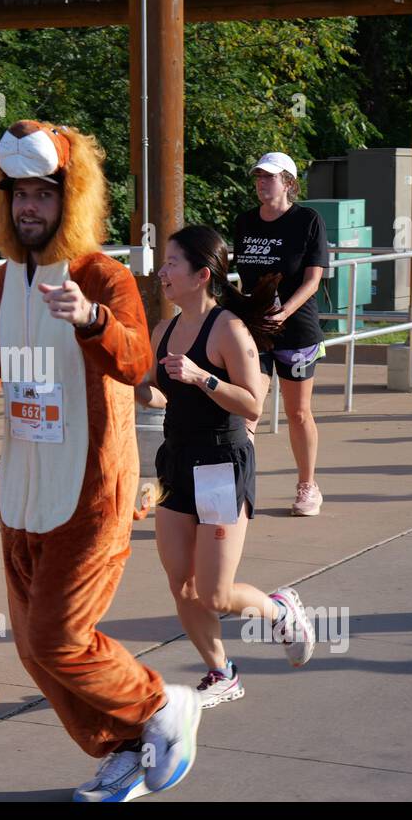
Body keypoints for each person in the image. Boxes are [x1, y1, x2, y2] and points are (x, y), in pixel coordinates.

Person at [0, 119, 201, 802]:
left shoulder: (103, 277)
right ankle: (120, 747)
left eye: (43, 194)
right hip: (22, 495)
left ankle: (160, 705)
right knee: (32, 648)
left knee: (59, 637)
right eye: (18, 193)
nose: (29, 206)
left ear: (71, 198)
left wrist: (90, 320)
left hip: (93, 491)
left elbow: (141, 363)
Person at [136, 225, 317, 709]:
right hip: (176, 461)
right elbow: (160, 394)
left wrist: (202, 378)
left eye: (172, 262)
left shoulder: (228, 329)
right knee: (182, 585)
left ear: (201, 275)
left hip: (220, 463)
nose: (162, 271)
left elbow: (253, 404)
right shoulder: (165, 329)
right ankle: (221, 671)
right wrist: (135, 388)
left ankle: (277, 608)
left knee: (214, 594)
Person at [231, 152, 329, 516]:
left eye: (269, 177)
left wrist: (285, 312)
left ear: (288, 182)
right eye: (257, 176)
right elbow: (245, 278)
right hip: (255, 332)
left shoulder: (307, 220)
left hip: (297, 329)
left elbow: (313, 278)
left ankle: (307, 486)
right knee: (247, 411)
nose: (261, 183)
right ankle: (240, 488)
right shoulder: (244, 222)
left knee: (298, 412)